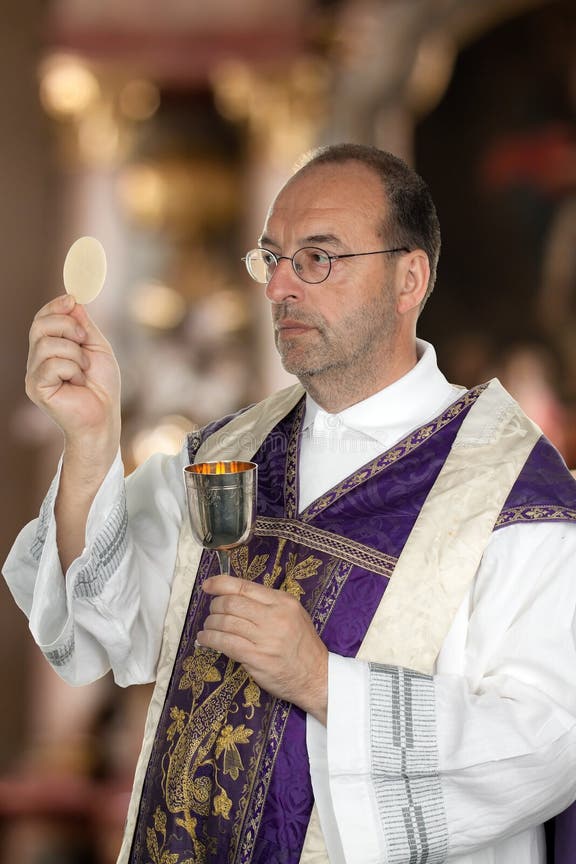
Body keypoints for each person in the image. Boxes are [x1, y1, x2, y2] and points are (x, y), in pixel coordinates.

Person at [4, 143, 576, 864]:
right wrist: (92, 441)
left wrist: (323, 682)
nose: (279, 288)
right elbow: (95, 628)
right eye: (272, 258)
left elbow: (552, 744)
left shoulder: (515, 498)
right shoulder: (224, 452)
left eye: (318, 258)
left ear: (409, 278)